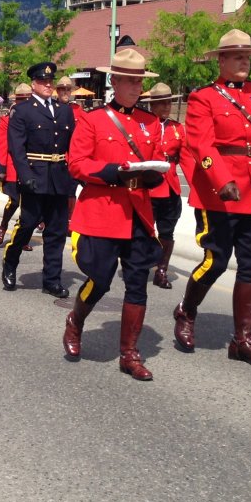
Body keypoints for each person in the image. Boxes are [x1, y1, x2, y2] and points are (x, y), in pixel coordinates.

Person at [174, 28, 251, 368]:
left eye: (247, 56)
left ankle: (242, 341)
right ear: (221, 60)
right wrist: (221, 179)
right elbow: (201, 145)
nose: (244, 62)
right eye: (237, 56)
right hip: (219, 193)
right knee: (216, 261)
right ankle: (187, 310)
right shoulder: (203, 97)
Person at [64, 49, 166, 379]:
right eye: (131, 81)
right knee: (100, 280)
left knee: (138, 283)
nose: (137, 87)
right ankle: (76, 320)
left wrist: (155, 175)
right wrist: (112, 172)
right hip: (103, 211)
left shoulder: (151, 123)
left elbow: (159, 159)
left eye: (140, 81)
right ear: (115, 81)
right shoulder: (92, 119)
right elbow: (77, 164)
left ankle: (130, 354)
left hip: (137, 212)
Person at [2, 61, 77, 297]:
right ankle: (10, 261)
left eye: (50, 81)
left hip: (59, 176)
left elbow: (74, 146)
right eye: (43, 81)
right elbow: (17, 148)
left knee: (56, 231)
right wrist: (25, 176)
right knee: (27, 225)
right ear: (33, 84)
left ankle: (52, 280)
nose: (47, 84)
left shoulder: (64, 111)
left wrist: (75, 175)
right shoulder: (23, 111)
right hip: (35, 175)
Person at [139, 82, 185, 289]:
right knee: (144, 230)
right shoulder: (143, 126)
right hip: (149, 186)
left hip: (170, 186)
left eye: (169, 103)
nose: (167, 107)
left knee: (167, 231)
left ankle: (161, 271)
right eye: (162, 103)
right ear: (152, 105)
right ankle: (140, 266)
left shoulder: (177, 128)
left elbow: (187, 158)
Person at [0, 83, 34, 251]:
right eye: (21, 100)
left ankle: (22, 237)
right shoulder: (6, 121)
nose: (24, 103)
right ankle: (3, 226)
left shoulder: (36, 119)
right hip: (13, 167)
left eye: (27, 100)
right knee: (14, 201)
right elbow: (2, 145)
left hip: (31, 166)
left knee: (29, 205)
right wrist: (1, 168)